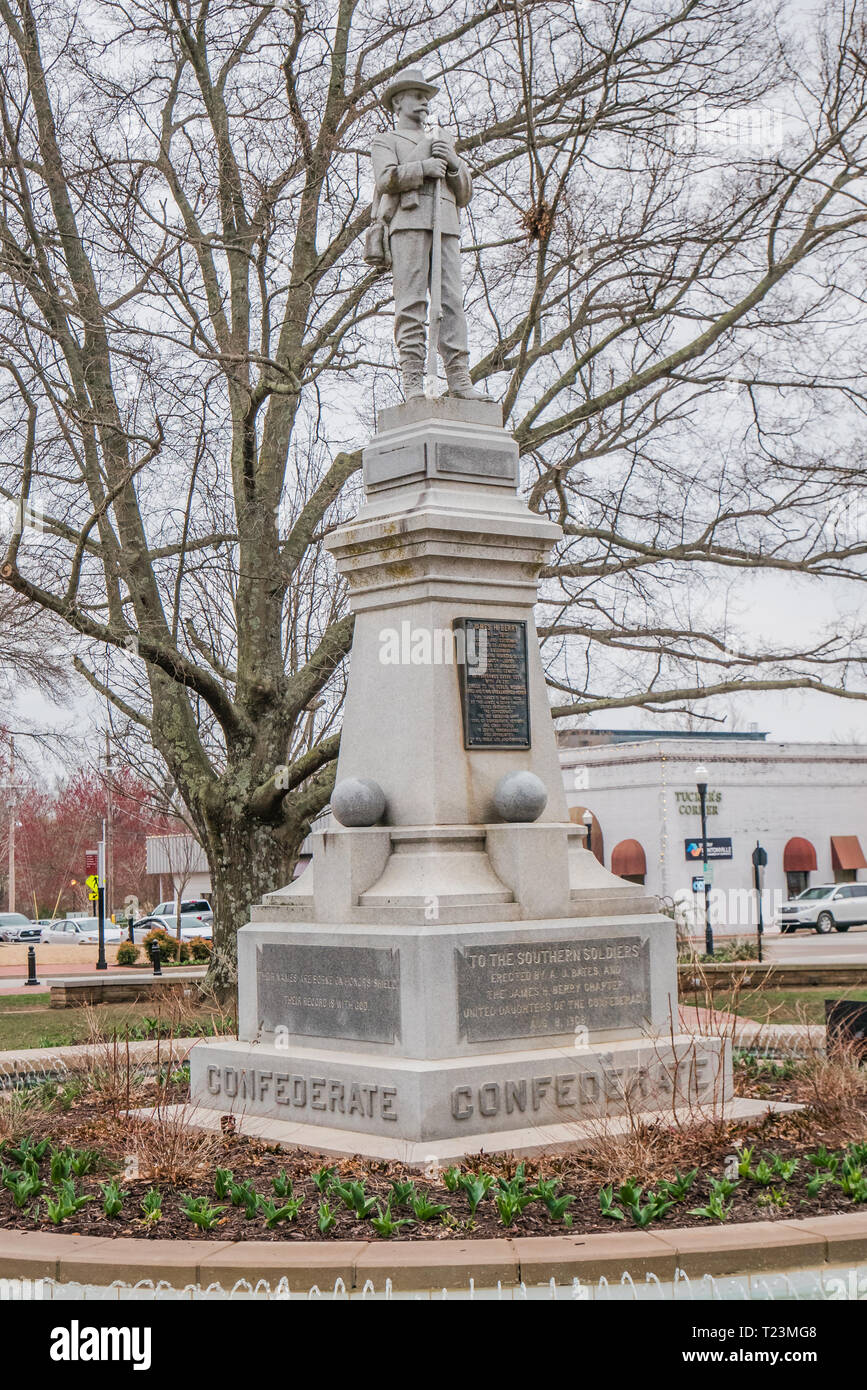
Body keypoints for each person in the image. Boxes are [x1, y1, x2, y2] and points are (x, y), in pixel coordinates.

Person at [370, 68, 489, 402]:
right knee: (411, 303)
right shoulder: (386, 141)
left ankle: (459, 378)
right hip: (408, 221)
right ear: (398, 102)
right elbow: (385, 180)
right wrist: (422, 168)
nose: (424, 102)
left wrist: (450, 162)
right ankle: (412, 380)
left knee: (452, 302)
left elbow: (464, 193)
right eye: (417, 95)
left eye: (427, 97)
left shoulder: (443, 140)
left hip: (446, 223)